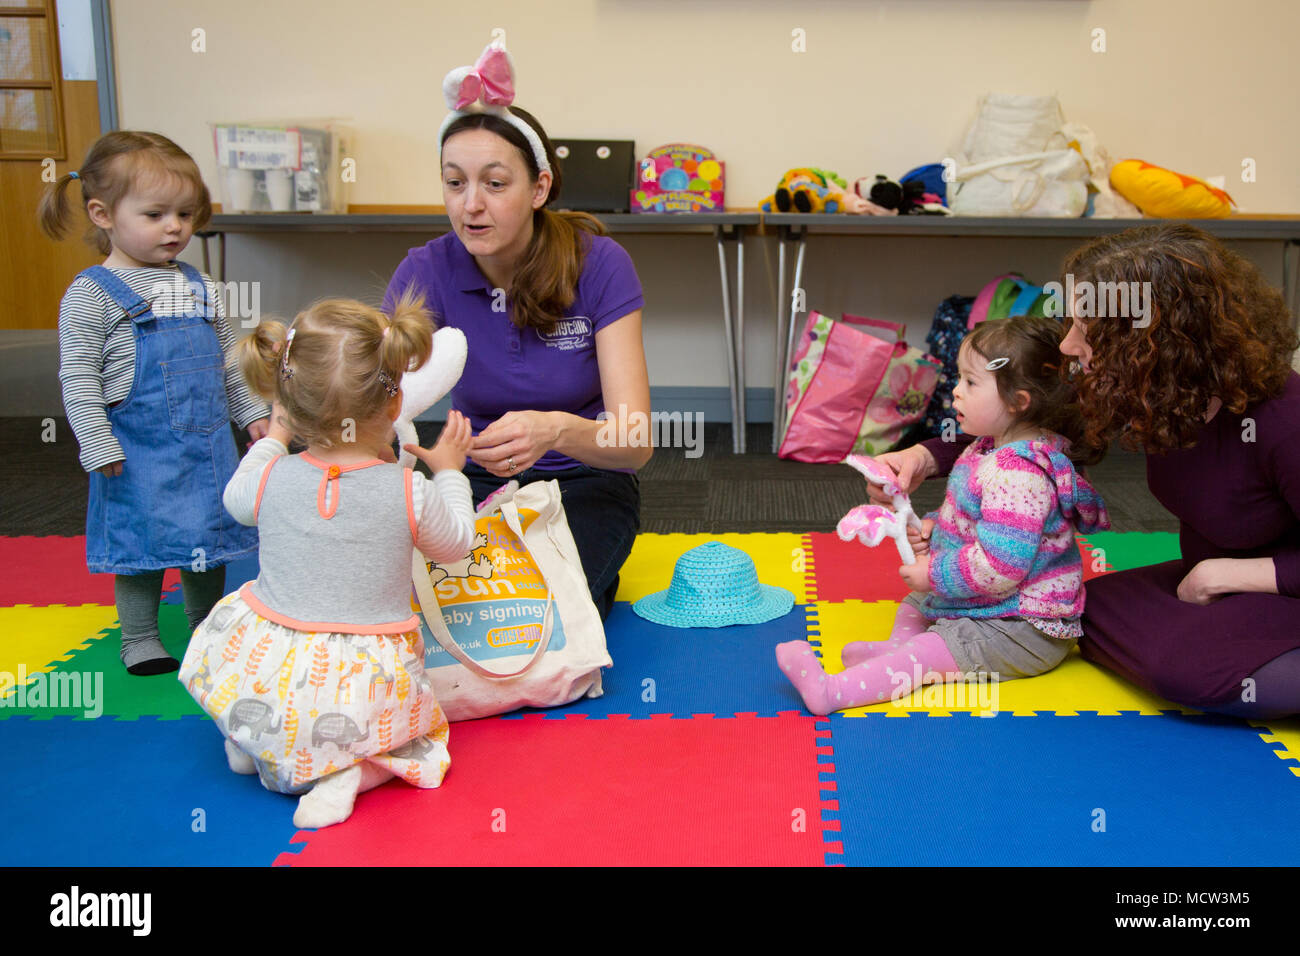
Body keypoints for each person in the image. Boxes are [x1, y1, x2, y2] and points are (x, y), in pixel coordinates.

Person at [870, 224, 1300, 719]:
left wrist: (1228, 573)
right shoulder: (1151, 387)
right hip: (1212, 578)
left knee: (1183, 669)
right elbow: (1025, 421)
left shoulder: (1283, 424)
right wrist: (922, 459)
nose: (1070, 345)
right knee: (1074, 612)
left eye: (1085, 330)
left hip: (1278, 583)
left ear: (1149, 343)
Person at [179, 295, 478, 829]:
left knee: (263, 687)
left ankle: (258, 744)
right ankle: (349, 773)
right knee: (409, 734)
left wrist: (273, 440)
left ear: (289, 406)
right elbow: (456, 544)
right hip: (363, 680)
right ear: (395, 408)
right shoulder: (409, 491)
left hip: (267, 668)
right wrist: (452, 472)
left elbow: (235, 500)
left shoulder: (271, 477)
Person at [384, 44, 650, 620]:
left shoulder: (600, 264)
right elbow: (376, 400)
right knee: (414, 607)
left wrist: (554, 430)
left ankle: (580, 583)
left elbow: (635, 441)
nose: (470, 206)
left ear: (539, 188)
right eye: (454, 184)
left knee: (538, 614)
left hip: (584, 482)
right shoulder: (425, 271)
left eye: (495, 184)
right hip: (469, 480)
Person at [777, 317, 1109, 715]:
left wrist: (934, 571)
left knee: (927, 649)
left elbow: (1001, 565)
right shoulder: (990, 447)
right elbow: (977, 518)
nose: (955, 392)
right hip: (1000, 604)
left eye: (971, 383)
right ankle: (896, 650)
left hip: (1022, 628)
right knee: (917, 603)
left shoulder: (1019, 474)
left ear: (1018, 401)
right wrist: (939, 529)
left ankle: (833, 691)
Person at [41, 131, 270, 676]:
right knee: (139, 544)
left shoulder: (201, 286)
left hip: (206, 441)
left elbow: (225, 363)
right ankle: (139, 636)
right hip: (134, 446)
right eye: (155, 214)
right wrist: (95, 442)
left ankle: (204, 626)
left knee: (208, 538)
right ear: (102, 214)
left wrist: (253, 414)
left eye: (185, 214)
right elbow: (77, 376)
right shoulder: (92, 293)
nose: (175, 227)